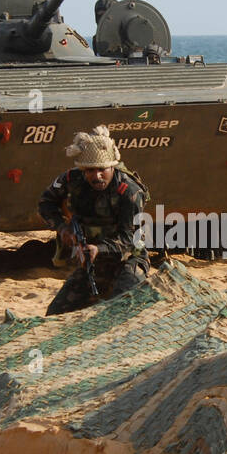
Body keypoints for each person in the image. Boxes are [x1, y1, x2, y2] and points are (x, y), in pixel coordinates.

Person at [38, 125, 149, 315]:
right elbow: (46, 203)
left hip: (127, 260)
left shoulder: (130, 192)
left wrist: (100, 249)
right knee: (56, 313)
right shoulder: (71, 179)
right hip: (92, 263)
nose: (96, 176)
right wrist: (63, 228)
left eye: (102, 170)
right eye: (90, 170)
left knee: (120, 313)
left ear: (112, 166)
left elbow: (130, 238)